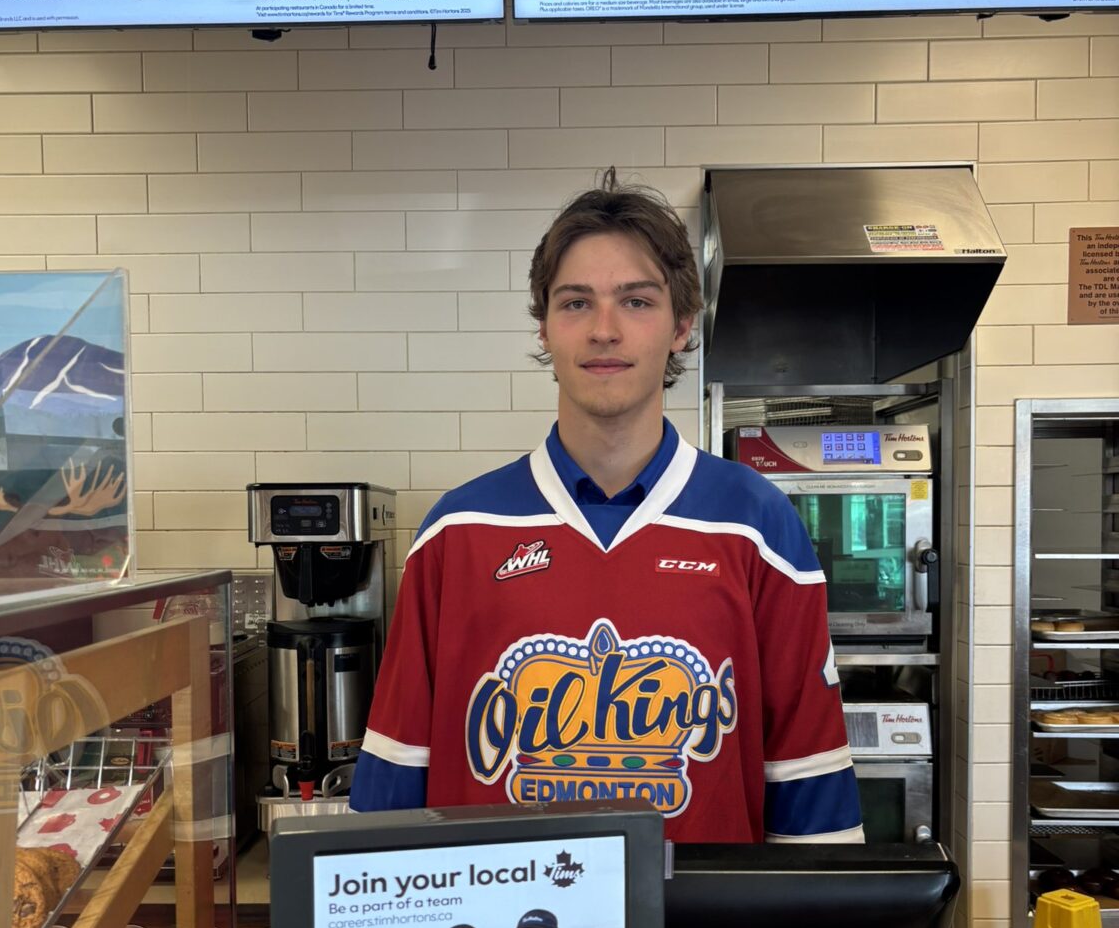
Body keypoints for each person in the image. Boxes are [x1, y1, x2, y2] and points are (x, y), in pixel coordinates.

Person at [349, 169, 862, 844]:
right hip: (503, 912)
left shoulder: (757, 526)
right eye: (576, 303)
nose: (604, 330)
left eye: (637, 301)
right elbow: (394, 788)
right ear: (544, 329)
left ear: (681, 326)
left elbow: (807, 786)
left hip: (699, 915)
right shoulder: (458, 531)